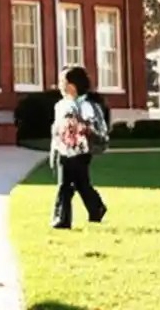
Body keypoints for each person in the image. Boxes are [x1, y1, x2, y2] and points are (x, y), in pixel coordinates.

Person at [50, 64, 109, 229]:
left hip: (81, 151)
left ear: (72, 85)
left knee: (73, 184)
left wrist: (81, 127)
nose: (60, 86)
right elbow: (57, 128)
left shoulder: (86, 106)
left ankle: (65, 218)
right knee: (73, 184)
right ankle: (92, 209)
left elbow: (90, 127)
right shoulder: (61, 105)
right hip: (64, 149)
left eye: (63, 82)